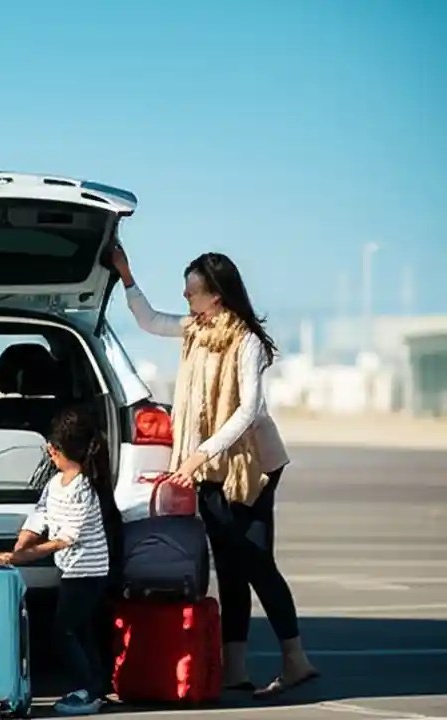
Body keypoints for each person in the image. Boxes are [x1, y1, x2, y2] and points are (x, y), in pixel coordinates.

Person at [109, 245, 319, 698]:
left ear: (216, 296)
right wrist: (126, 275)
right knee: (228, 566)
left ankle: (295, 659)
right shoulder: (195, 331)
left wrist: (198, 455)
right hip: (210, 468)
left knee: (257, 561)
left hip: (250, 466)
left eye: (192, 294)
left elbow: (248, 411)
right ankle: (235, 668)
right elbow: (149, 320)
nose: (185, 300)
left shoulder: (245, 341)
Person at [0, 406, 121, 716]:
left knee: (64, 630)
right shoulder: (56, 483)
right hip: (71, 570)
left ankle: (86, 690)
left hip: (88, 572)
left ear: (57, 448)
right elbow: (41, 516)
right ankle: (95, 686)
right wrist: (22, 541)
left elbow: (64, 539)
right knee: (80, 629)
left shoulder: (83, 489)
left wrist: (20, 557)